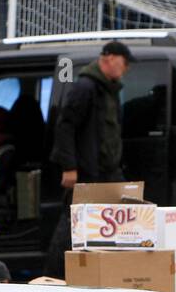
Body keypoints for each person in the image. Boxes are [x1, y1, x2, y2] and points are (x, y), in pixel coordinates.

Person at [44, 40, 133, 278]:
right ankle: (53, 276)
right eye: (125, 64)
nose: (125, 70)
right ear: (111, 59)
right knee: (72, 226)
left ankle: (107, 272)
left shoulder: (110, 89)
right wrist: (69, 167)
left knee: (119, 221)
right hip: (86, 172)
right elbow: (65, 126)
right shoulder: (86, 87)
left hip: (108, 171)